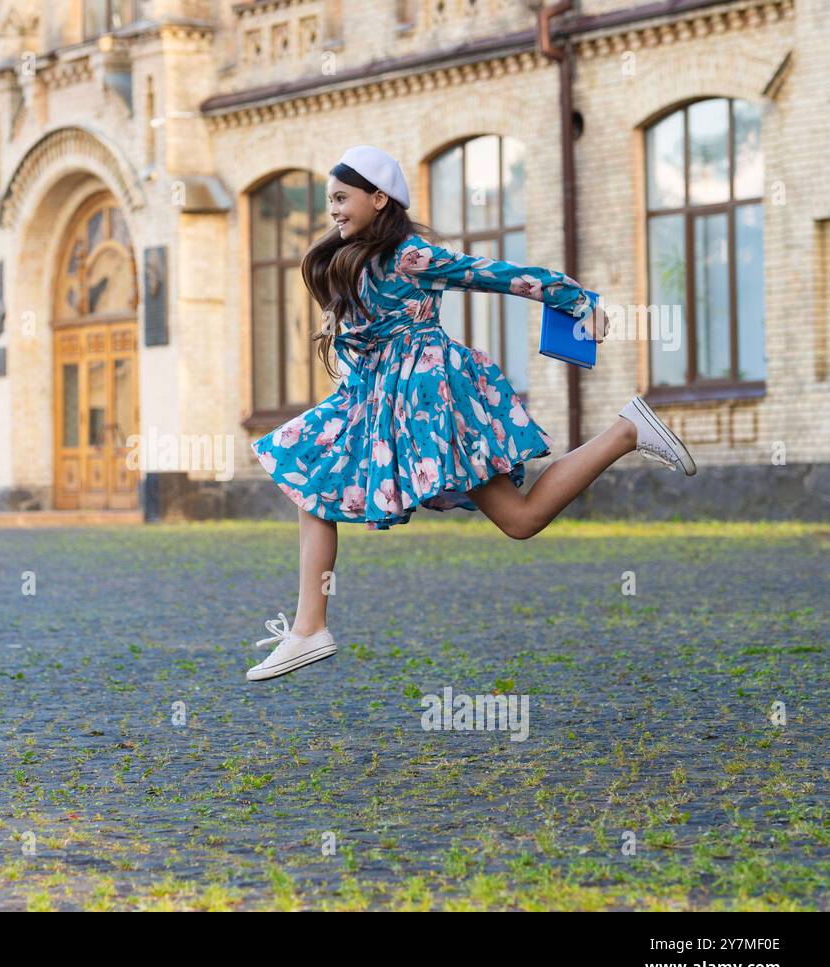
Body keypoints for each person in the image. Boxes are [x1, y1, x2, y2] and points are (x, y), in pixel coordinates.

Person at [246, 144, 695, 682]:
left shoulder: (413, 256)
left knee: (513, 518)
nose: (334, 210)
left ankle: (626, 432)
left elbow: (498, 274)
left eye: (342, 198)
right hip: (377, 398)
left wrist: (576, 301)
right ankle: (308, 628)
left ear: (379, 198)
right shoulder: (354, 259)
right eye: (330, 202)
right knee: (315, 482)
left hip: (429, 399)